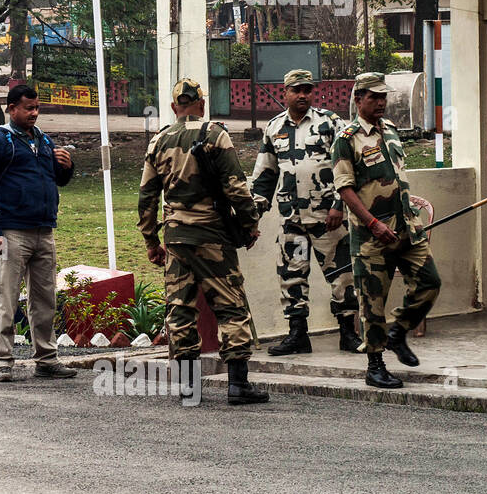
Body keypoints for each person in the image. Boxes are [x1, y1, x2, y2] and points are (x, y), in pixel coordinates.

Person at [138, 78, 269, 405]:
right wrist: (250, 224)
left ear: (173, 107)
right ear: (202, 103)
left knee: (180, 308)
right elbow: (237, 187)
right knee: (230, 305)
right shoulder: (215, 134)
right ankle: (238, 385)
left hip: (177, 238)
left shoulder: (159, 141)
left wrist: (151, 242)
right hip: (213, 236)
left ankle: (188, 388)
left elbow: (146, 198)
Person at [332, 73, 441, 390]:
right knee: (372, 304)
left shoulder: (391, 130)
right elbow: (345, 189)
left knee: (430, 282)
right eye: (373, 97)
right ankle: (375, 365)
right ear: (358, 99)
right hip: (372, 238)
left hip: (406, 230)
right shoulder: (347, 138)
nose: (381, 102)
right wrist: (372, 223)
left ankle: (399, 332)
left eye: (383, 97)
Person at [0, 84, 77, 383]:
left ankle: (47, 359)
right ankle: (2, 361)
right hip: (11, 233)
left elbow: (58, 179)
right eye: (28, 108)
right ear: (12, 108)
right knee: (7, 297)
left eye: (36, 108)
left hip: (44, 231)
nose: (33, 113)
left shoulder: (42, 140)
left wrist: (67, 167)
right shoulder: (0, 142)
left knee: (45, 300)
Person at [251, 69, 361, 355]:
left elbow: (347, 166)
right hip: (292, 222)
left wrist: (339, 204)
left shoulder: (330, 123)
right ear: (284, 92)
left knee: (341, 275)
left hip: (328, 219)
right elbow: (264, 175)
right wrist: (253, 215)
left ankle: (348, 333)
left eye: (307, 90)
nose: (302, 95)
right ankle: (298, 335)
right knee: (292, 275)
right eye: (296, 90)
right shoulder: (274, 128)